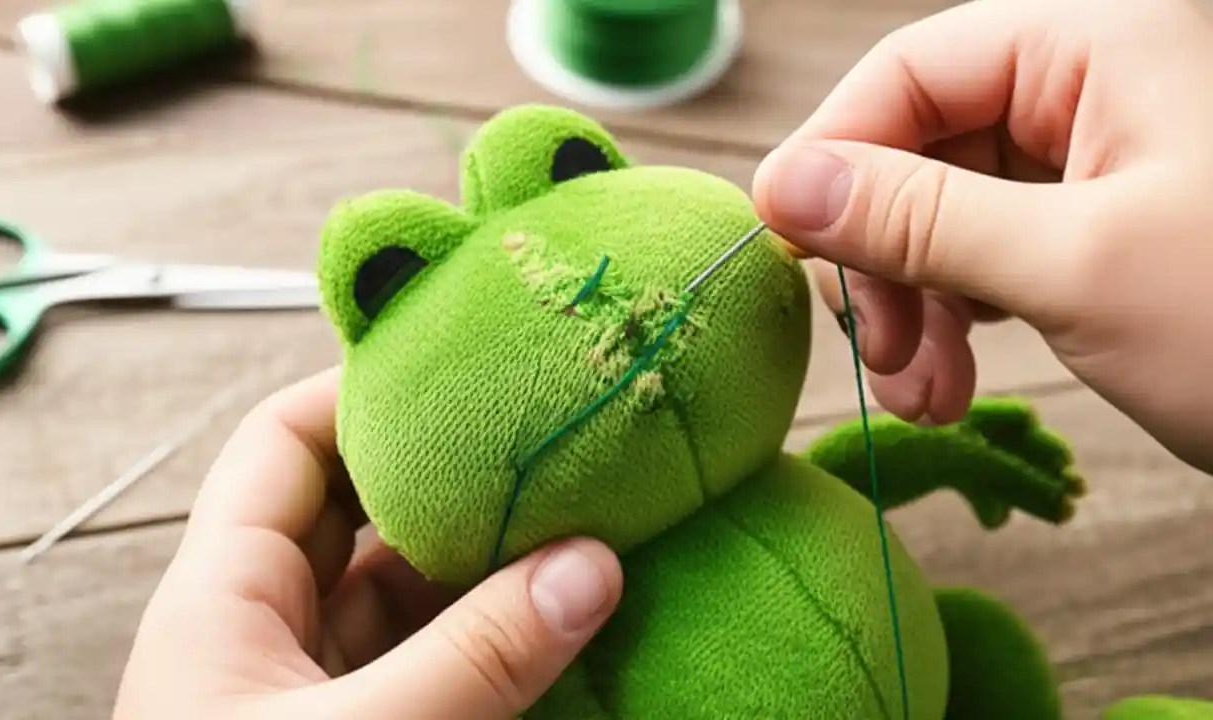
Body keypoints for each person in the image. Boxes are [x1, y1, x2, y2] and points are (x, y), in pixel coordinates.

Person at [113, 0, 1213, 716]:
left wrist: (944, 454)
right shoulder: (529, 642)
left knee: (991, 656)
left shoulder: (753, 467)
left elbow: (841, 478)